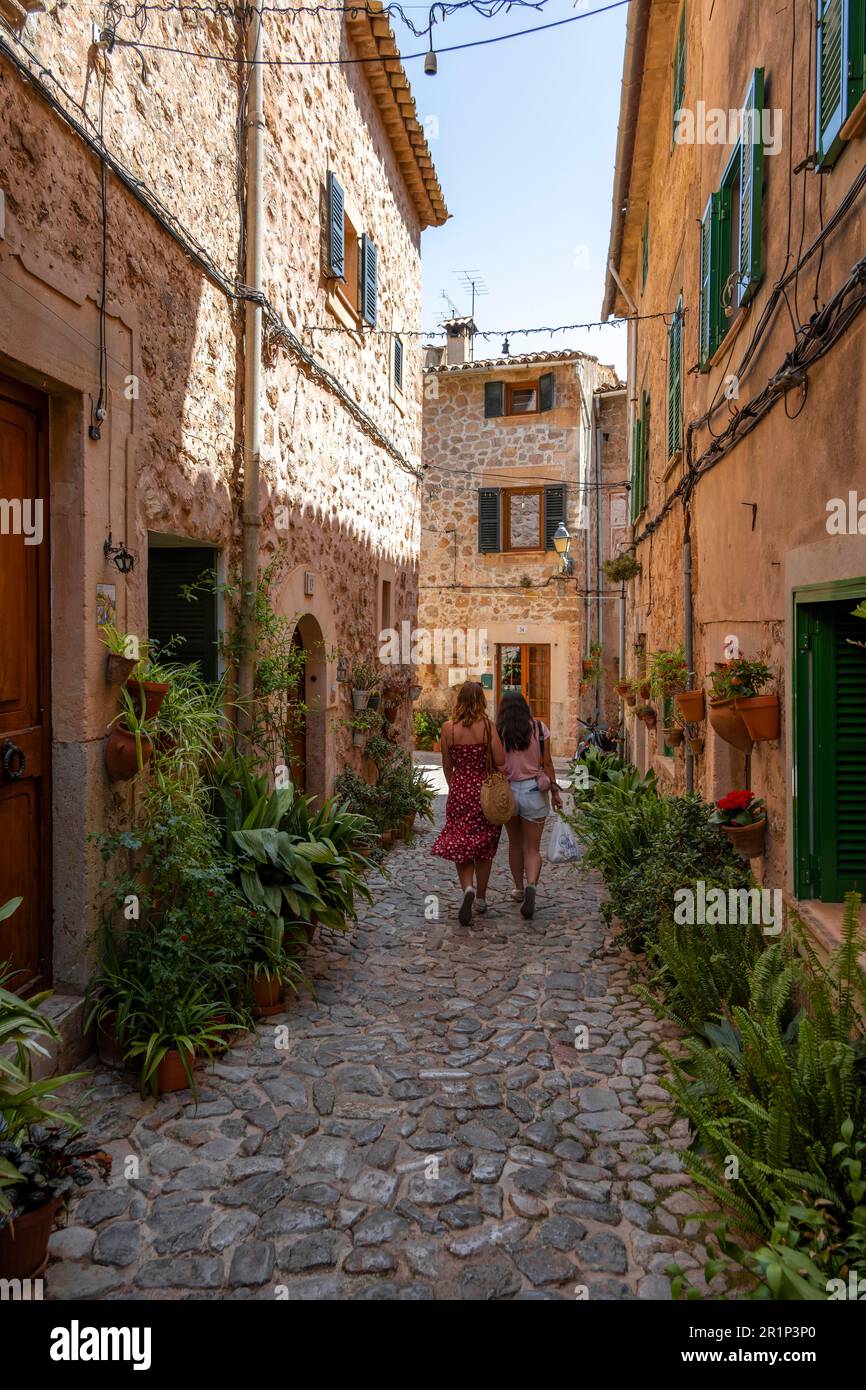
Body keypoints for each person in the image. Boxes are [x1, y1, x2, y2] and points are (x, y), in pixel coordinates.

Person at [431, 680, 507, 925]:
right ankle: (481, 899)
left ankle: (467, 888)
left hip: (459, 790)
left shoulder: (448, 728)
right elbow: (501, 760)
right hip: (484, 792)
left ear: (460, 700)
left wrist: (455, 787)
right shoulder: (487, 726)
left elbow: (446, 764)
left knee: (460, 841)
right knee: (484, 845)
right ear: (481, 701)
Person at [496, 693, 562, 918]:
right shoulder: (539, 729)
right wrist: (555, 792)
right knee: (532, 848)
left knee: (514, 844)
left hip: (508, 792)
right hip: (534, 791)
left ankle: (518, 888)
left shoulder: (499, 732)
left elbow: (493, 764)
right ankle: (532, 883)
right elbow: (548, 763)